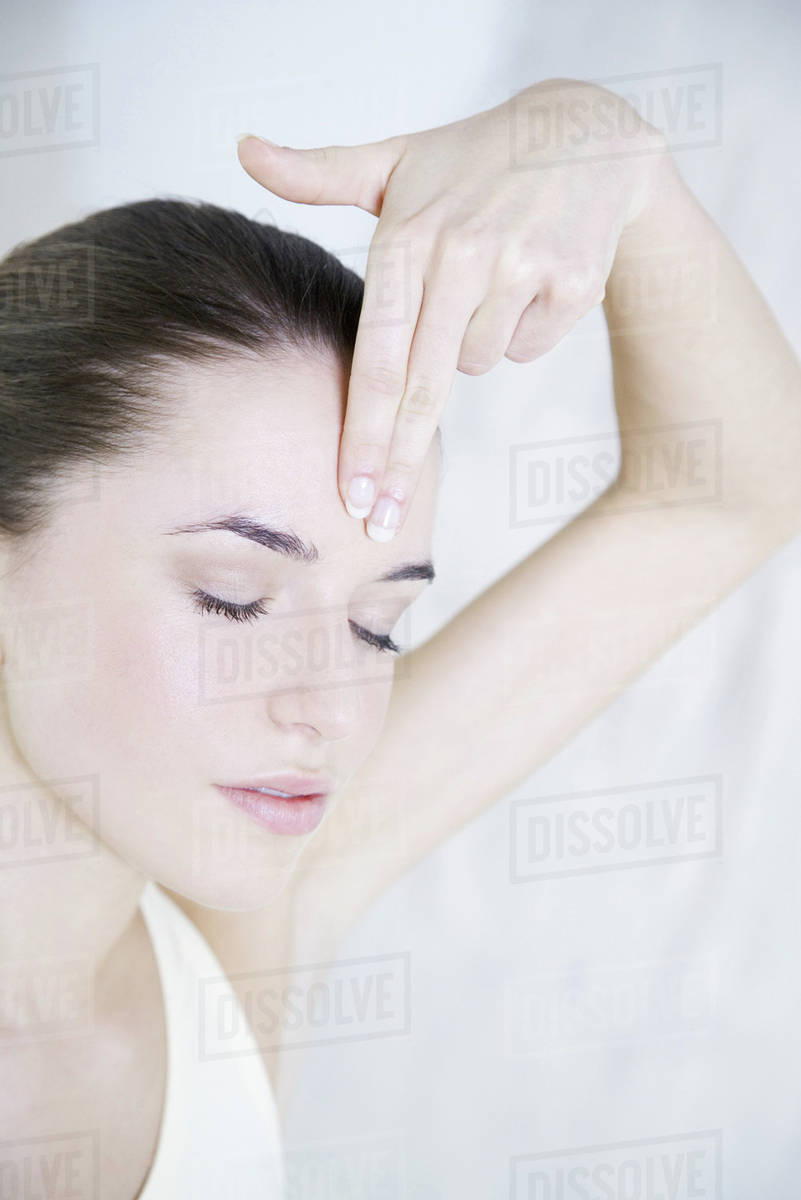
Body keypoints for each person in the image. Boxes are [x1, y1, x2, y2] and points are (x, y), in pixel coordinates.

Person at [0, 77, 798, 1198]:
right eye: (235, 596)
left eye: (380, 625)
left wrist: (611, 152)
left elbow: (730, 491)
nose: (328, 708)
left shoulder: (236, 948)